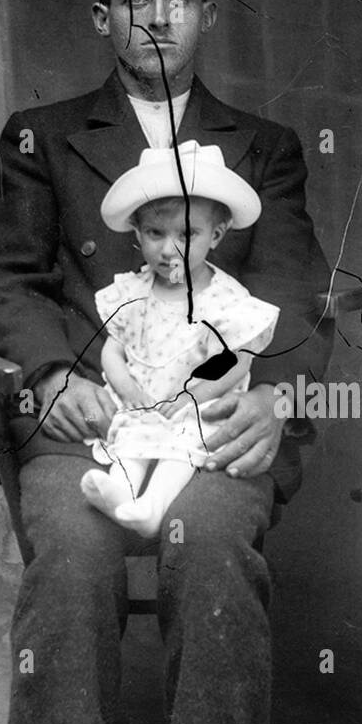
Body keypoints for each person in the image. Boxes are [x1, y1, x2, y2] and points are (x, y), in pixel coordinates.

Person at [0, 0, 332, 724]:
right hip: (84, 423)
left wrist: (279, 398)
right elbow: (2, 286)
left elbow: (304, 298)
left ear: (206, 12)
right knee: (74, 554)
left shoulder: (262, 148)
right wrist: (57, 376)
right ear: (103, 18)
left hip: (214, 432)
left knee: (211, 535)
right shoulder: (42, 136)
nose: (158, 15)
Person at [81, 142, 279, 538]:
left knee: (185, 446)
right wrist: (126, 386)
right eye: (155, 233)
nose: (169, 248)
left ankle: (153, 507)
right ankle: (124, 488)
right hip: (144, 399)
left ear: (216, 235)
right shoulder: (133, 291)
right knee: (132, 435)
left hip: (196, 404)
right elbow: (113, 349)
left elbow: (236, 361)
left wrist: (197, 396)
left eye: (187, 234)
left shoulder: (222, 300)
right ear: (137, 234)